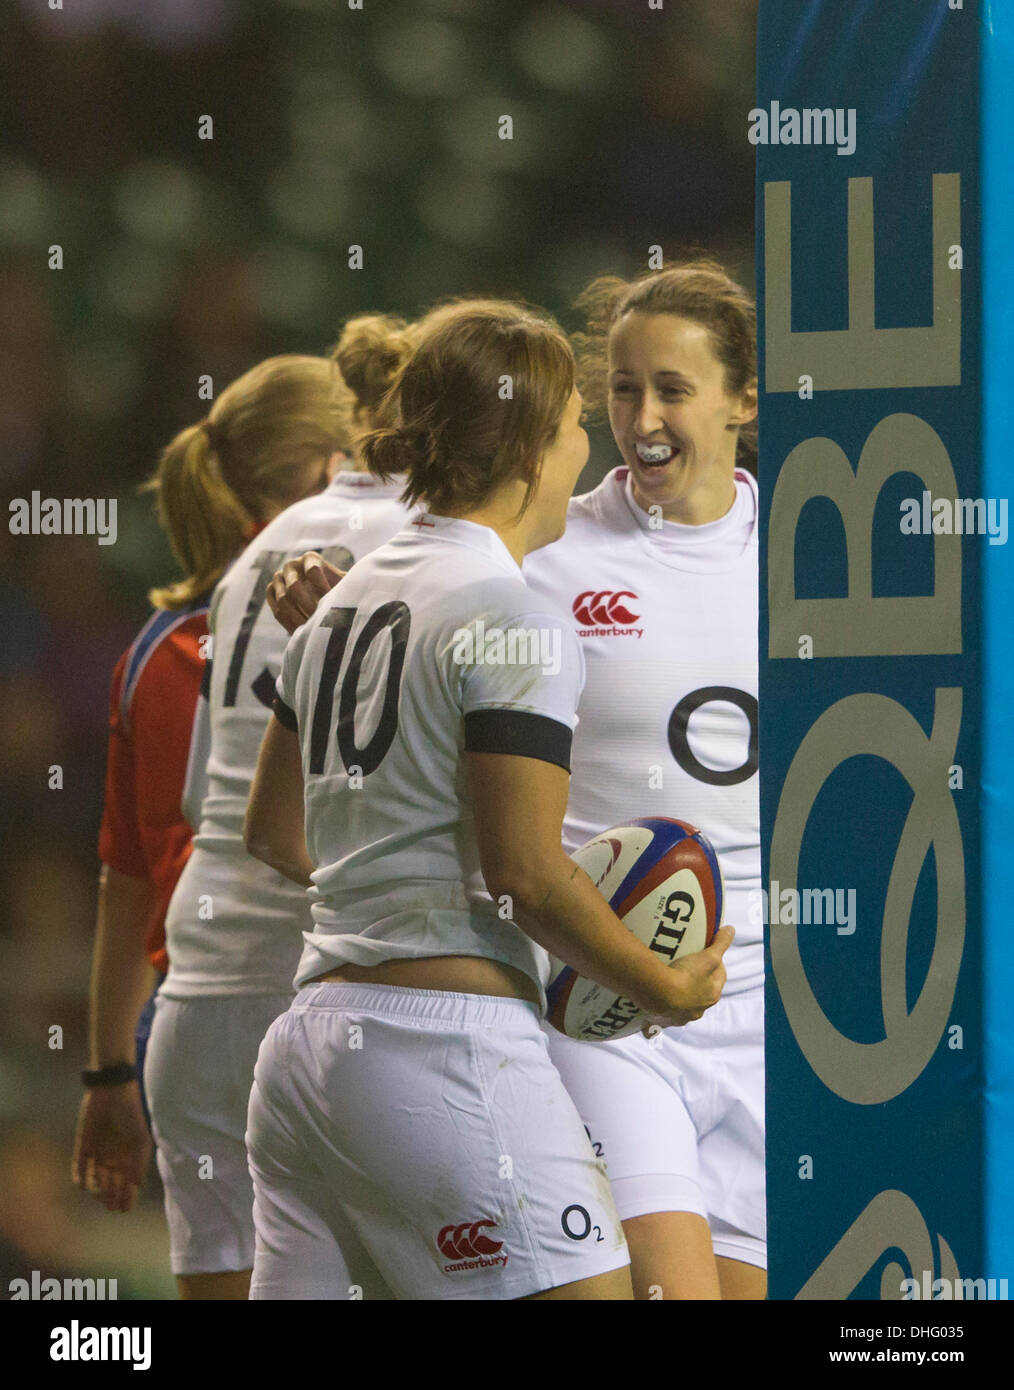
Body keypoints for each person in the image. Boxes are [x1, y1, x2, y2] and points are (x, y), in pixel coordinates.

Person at [266, 262, 763, 1300]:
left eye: (667, 387)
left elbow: (275, 833)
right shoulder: (524, 595)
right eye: (603, 401)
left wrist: (386, 866)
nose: (619, 426)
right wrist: (658, 979)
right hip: (493, 1024)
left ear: (742, 399)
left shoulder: (356, 595)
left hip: (317, 1036)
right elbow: (528, 874)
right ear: (537, 446)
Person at [145, 328, 415, 1301]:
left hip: (200, 999)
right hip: (321, 998)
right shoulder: (426, 547)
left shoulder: (252, 559)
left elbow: (199, 802)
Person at [527, 261, 763, 1300]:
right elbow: (421, 595)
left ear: (743, 400)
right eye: (624, 388)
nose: (644, 415)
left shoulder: (816, 560)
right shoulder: (550, 555)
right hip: (610, 1002)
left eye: (673, 387)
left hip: (769, 1010)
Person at [71, 353, 350, 1222]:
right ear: (327, 474)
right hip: (332, 1004)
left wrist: (109, 1070)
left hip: (192, 1021)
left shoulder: (150, 655)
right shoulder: (363, 626)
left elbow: (127, 882)